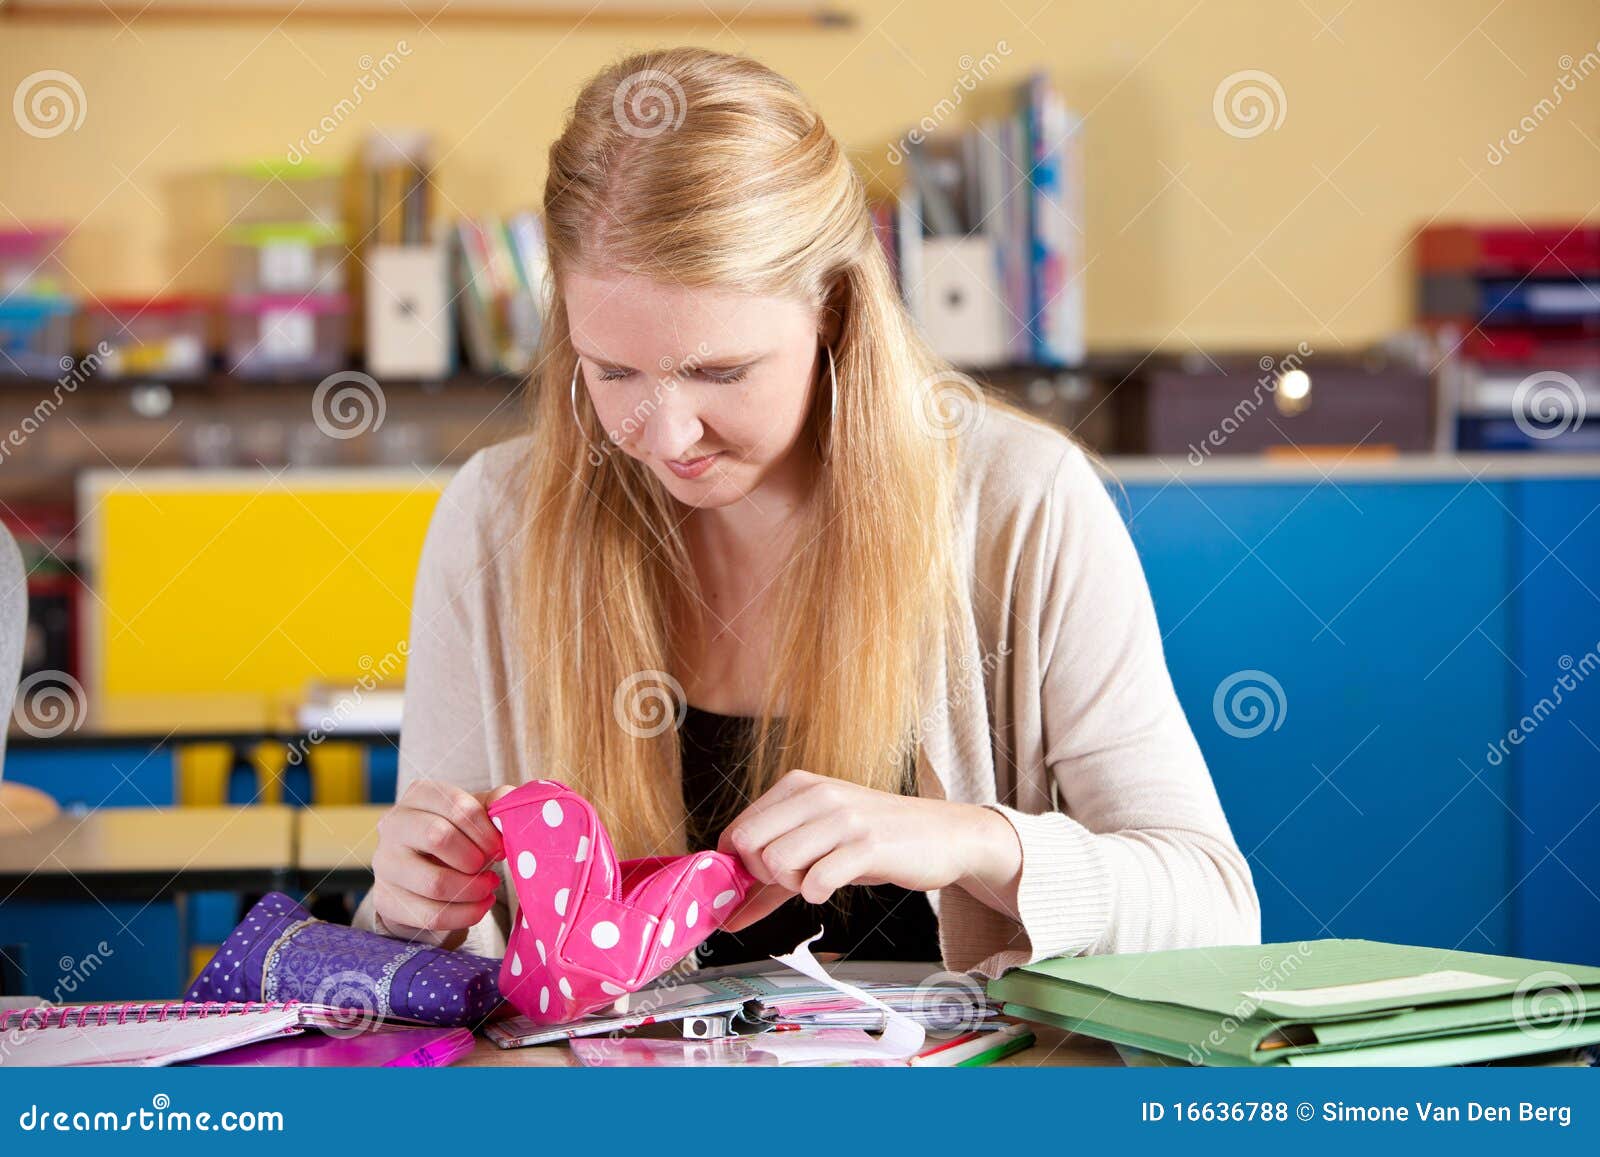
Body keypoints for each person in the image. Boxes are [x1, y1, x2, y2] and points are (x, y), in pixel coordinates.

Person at [352, 46, 1259, 978]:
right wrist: (412, 913)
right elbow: (445, 969)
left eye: (719, 371)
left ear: (832, 305)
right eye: (612, 370)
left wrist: (973, 841)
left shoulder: (1023, 504)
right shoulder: (496, 521)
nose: (663, 433)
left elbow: (1215, 913)